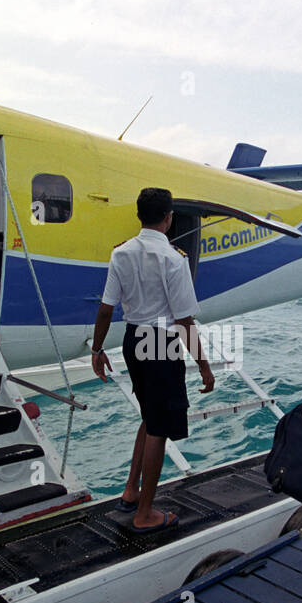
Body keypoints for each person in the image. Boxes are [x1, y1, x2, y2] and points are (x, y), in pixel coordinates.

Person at [91, 188, 214, 532]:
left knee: (149, 416)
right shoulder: (174, 259)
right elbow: (185, 321)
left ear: (139, 215)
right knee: (159, 427)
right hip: (160, 343)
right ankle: (145, 513)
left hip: (133, 339)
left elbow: (105, 309)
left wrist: (97, 350)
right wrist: (204, 365)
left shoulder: (121, 254)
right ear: (169, 217)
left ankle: (131, 491)